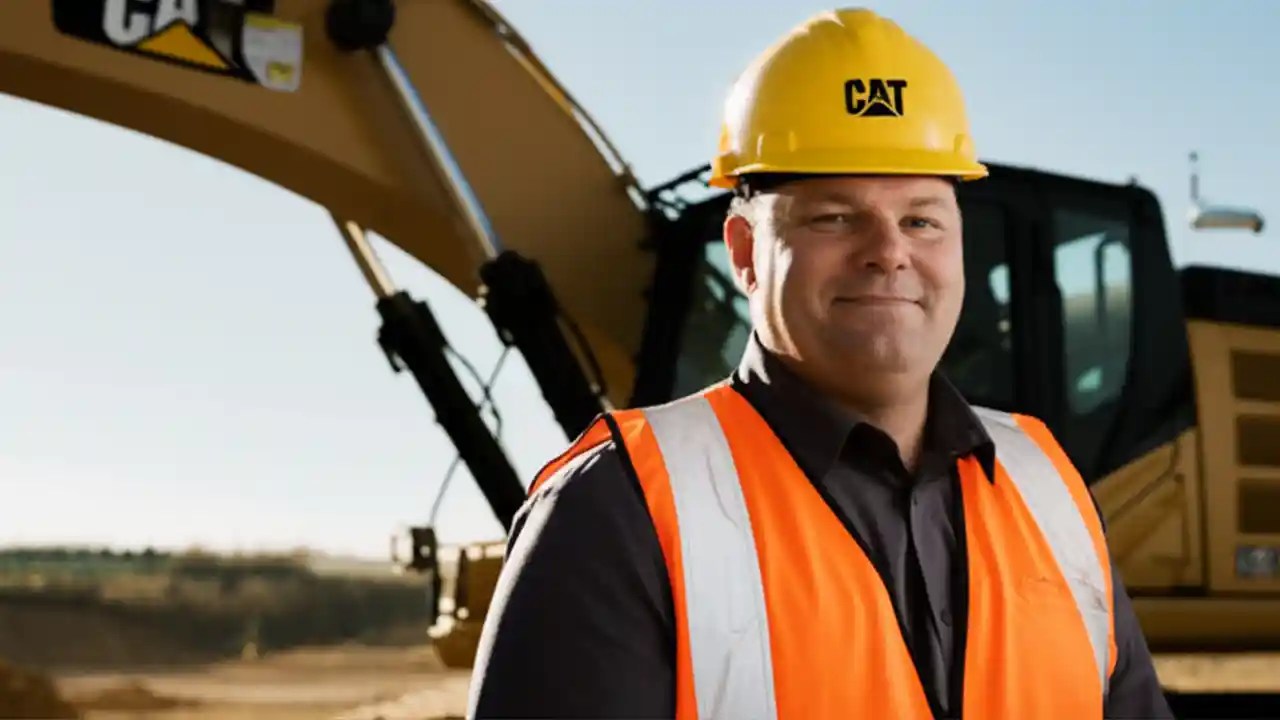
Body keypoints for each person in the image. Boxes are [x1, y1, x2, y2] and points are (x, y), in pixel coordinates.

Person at [467, 7, 1173, 719]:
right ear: (744, 251)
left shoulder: (1049, 489)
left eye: (922, 219)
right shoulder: (617, 509)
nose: (888, 251)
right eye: (835, 217)